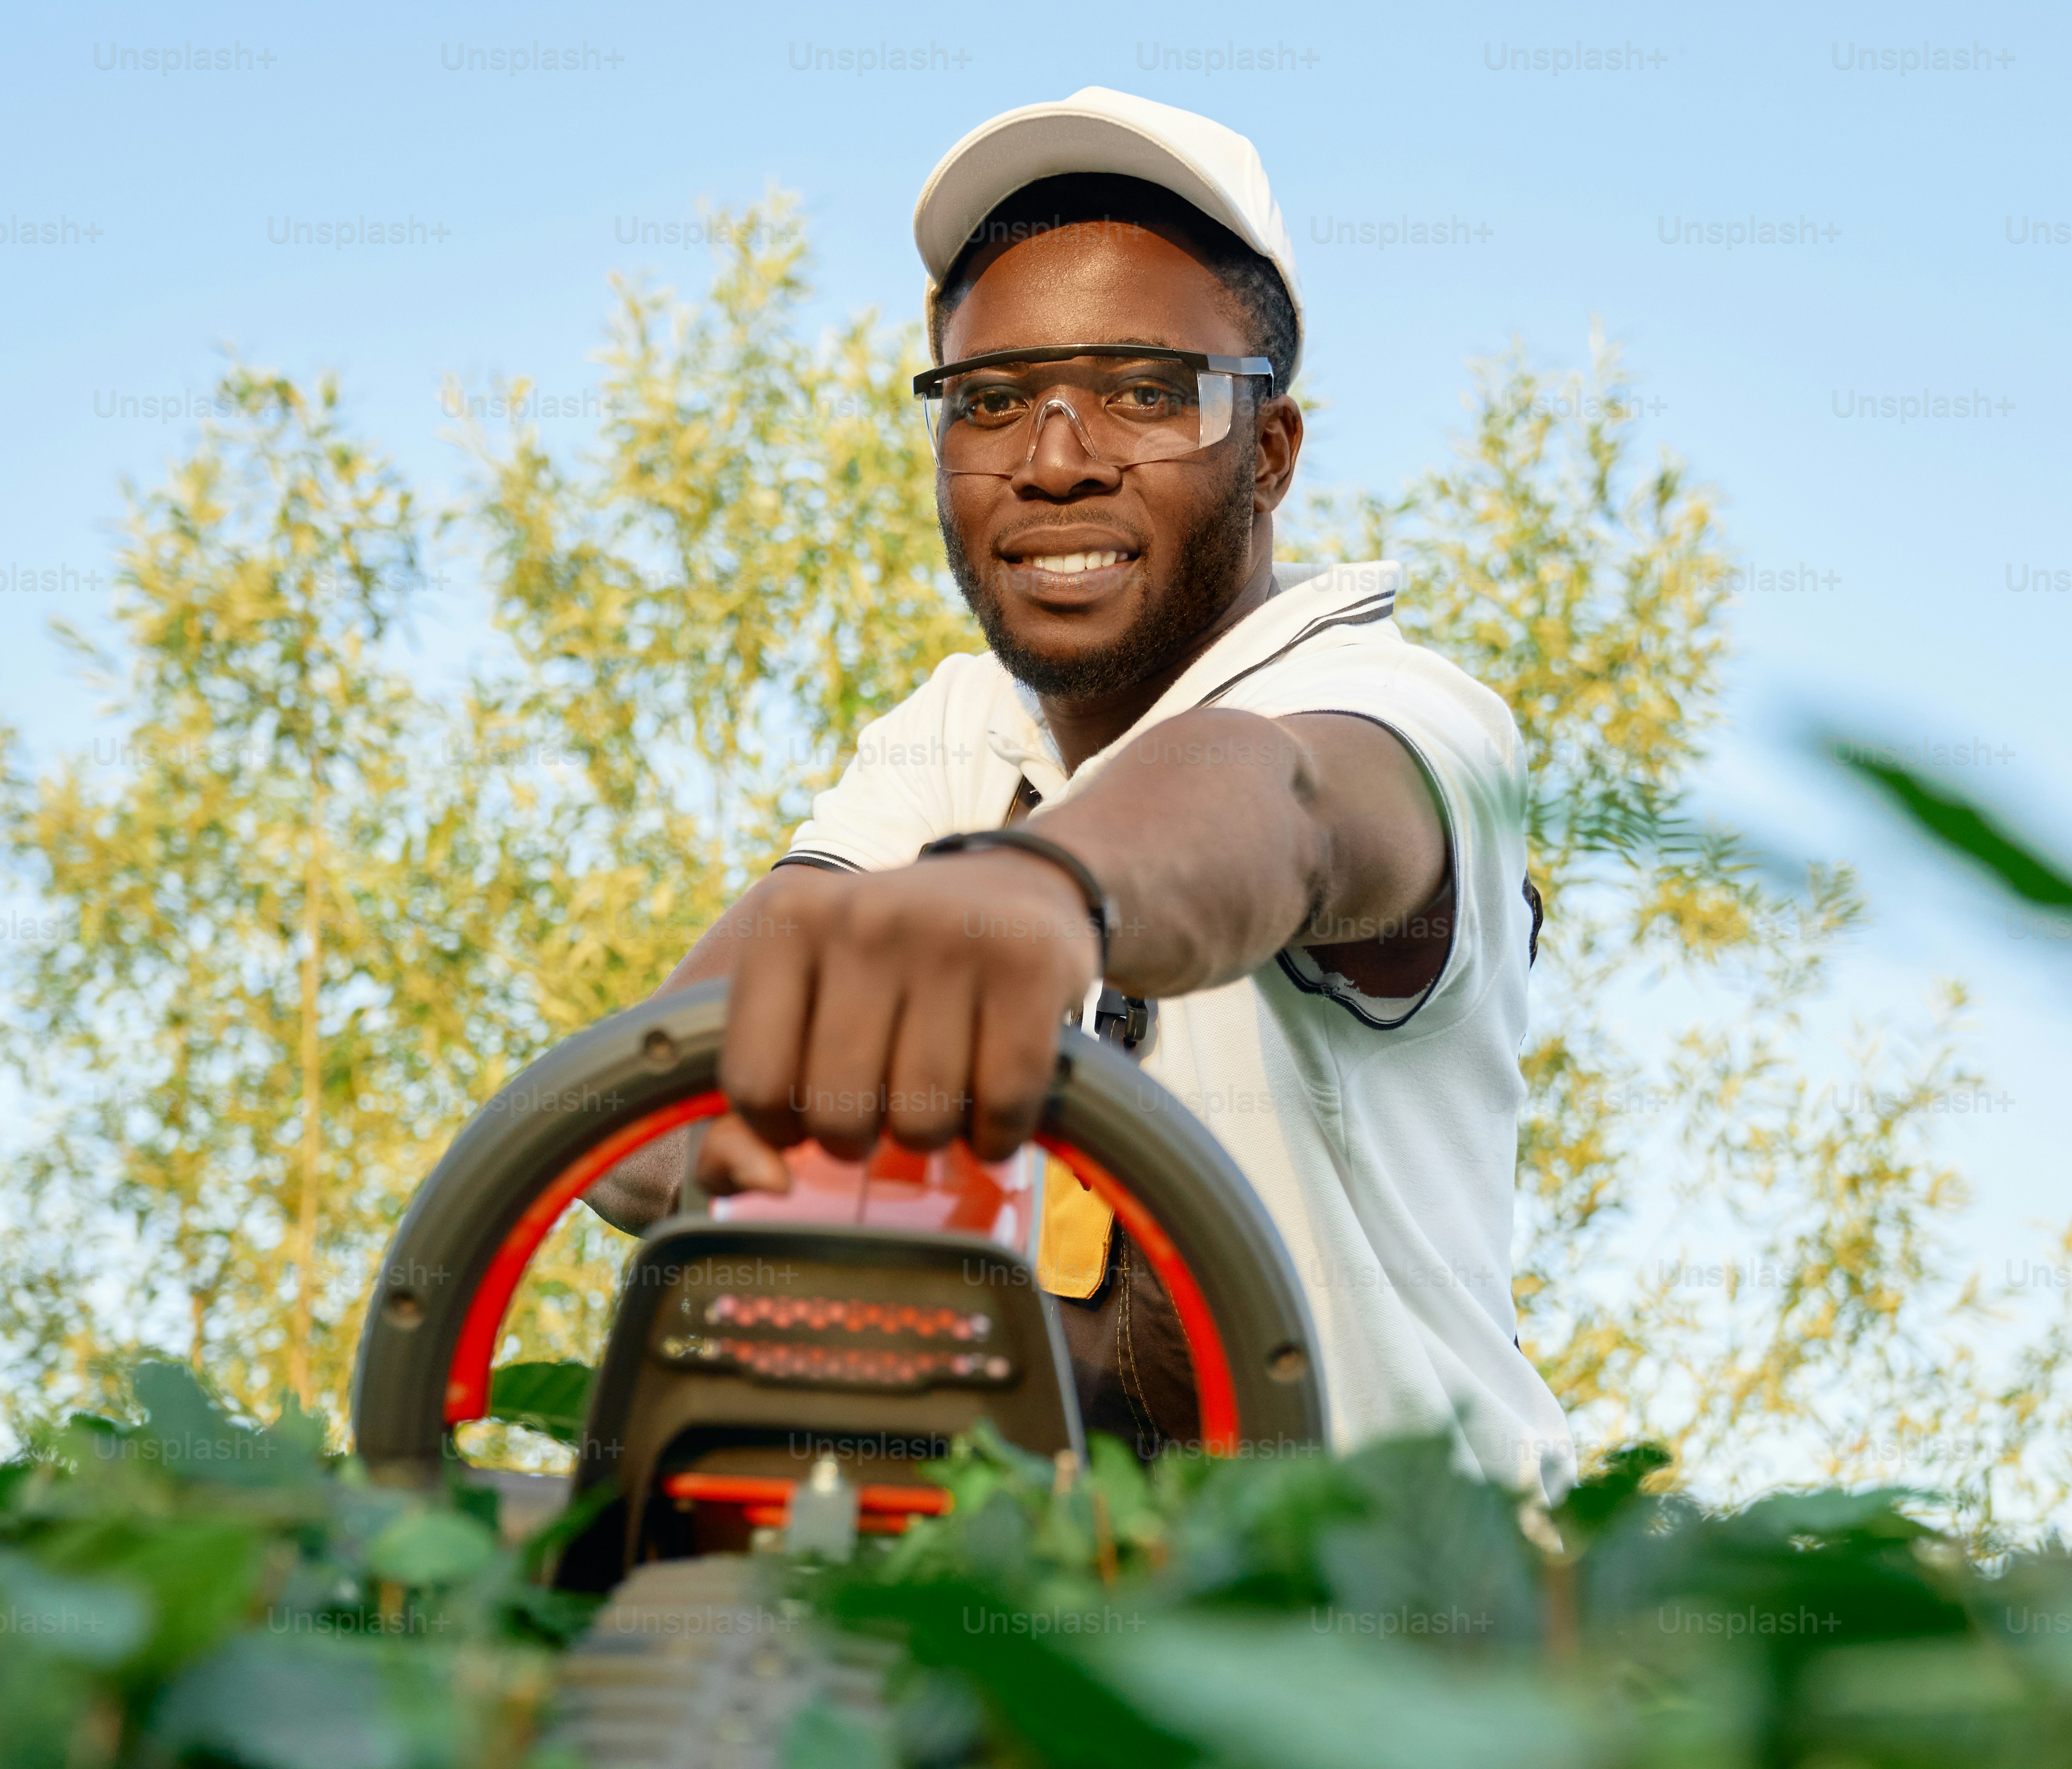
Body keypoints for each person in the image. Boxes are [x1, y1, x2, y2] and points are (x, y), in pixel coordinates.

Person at [586, 87, 1574, 1497]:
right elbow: (649, 1126)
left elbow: (1273, 803)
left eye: (1141, 392)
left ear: (1271, 451)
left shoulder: (1400, 712)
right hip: (1011, 1615)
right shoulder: (952, 732)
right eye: (992, 401)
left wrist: (1040, 888)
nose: (1053, 461)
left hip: (1395, 1636)